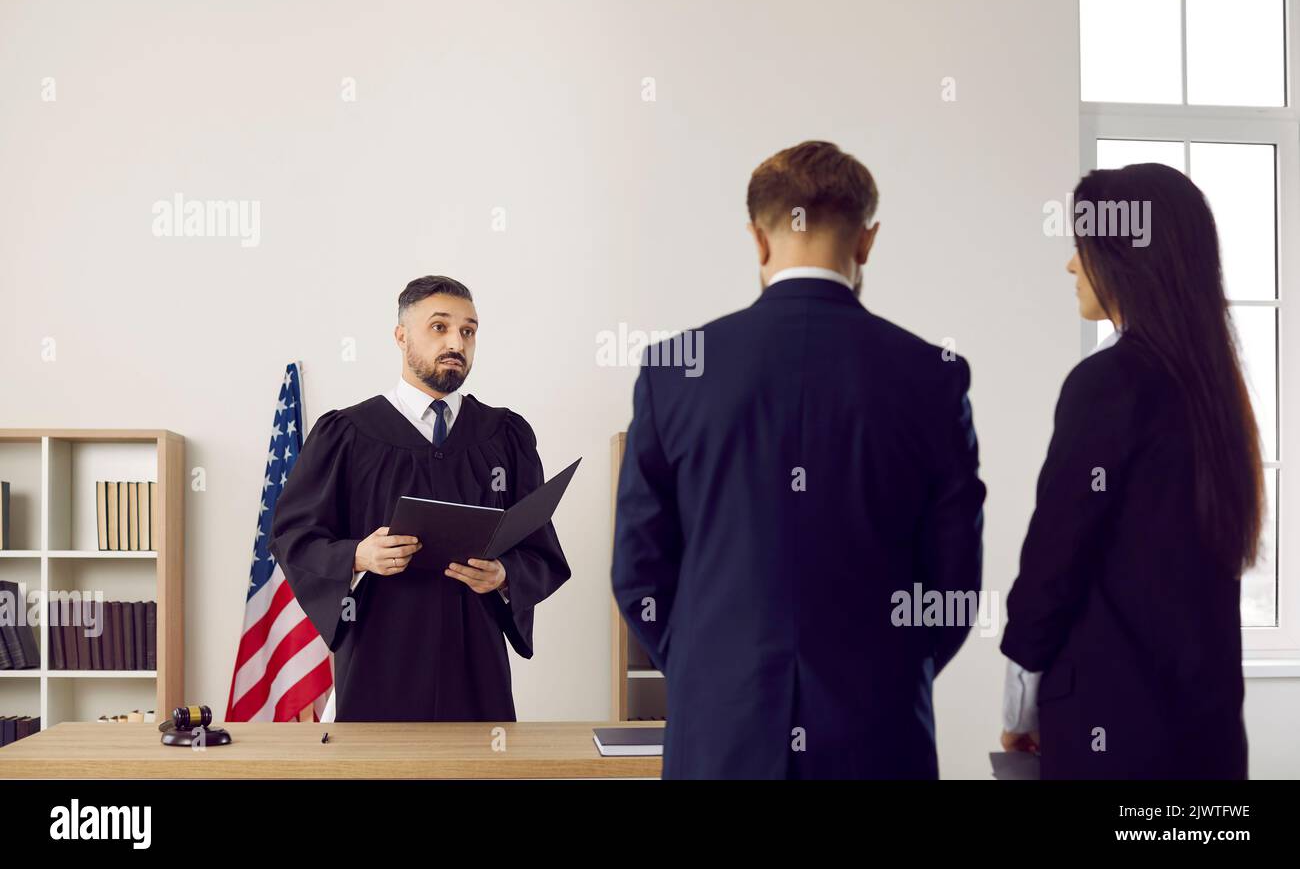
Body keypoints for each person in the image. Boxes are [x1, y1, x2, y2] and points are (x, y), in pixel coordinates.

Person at [611, 140, 986, 778]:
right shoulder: (932, 376)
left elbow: (639, 569)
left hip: (720, 736)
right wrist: (892, 669)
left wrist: (710, 670)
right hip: (880, 732)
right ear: (866, 242)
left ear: (758, 240)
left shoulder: (673, 371)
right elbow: (952, 581)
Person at [1000, 163, 1260, 779]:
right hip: (1209, 738)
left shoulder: (1108, 381)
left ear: (1123, 257)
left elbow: (1055, 557)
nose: (1071, 266)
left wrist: (1019, 704)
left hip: (1113, 736)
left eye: (1082, 249)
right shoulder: (1218, 391)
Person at [270, 275, 571, 721]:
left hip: (475, 660)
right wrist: (358, 555)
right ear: (401, 336)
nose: (456, 342)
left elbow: (541, 552)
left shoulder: (505, 435)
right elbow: (294, 537)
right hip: (379, 656)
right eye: (439, 327)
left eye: (468, 331)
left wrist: (505, 575)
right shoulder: (347, 435)